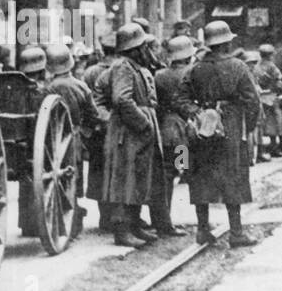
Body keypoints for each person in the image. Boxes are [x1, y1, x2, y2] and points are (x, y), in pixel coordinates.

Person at [179, 20, 260, 247]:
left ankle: (203, 230)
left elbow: (180, 99)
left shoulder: (194, 68)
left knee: (201, 177)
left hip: (203, 129)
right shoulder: (238, 66)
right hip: (231, 127)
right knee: (233, 177)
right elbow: (252, 101)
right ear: (226, 43)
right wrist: (249, 126)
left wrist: (198, 113)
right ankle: (236, 233)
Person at [101, 23, 162, 248]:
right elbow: (122, 99)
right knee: (124, 181)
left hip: (136, 132)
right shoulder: (123, 67)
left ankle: (134, 225)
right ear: (135, 48)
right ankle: (122, 230)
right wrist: (144, 123)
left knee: (137, 179)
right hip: (127, 132)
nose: (147, 49)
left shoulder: (135, 66)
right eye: (143, 45)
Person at [44, 41, 99, 241]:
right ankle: (74, 224)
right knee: (73, 180)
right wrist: (85, 133)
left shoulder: (48, 89)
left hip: (50, 141)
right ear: (70, 63)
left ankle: (60, 223)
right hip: (74, 138)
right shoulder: (80, 86)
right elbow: (93, 115)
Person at [153, 34, 198, 237]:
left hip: (164, 130)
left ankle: (163, 220)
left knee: (166, 176)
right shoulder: (192, 73)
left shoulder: (159, 75)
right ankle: (175, 222)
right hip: (186, 131)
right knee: (184, 169)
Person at [84, 33, 117, 230]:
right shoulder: (121, 70)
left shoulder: (90, 72)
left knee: (98, 173)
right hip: (116, 129)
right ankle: (116, 217)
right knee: (117, 173)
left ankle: (104, 217)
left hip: (96, 131)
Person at [16, 45, 48, 238]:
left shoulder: (9, 88)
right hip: (37, 141)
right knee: (35, 178)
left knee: (24, 181)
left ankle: (26, 225)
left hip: (14, 141)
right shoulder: (43, 92)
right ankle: (37, 225)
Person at [255, 44, 282, 159]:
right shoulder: (272, 66)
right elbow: (279, 82)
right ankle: (274, 148)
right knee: (276, 122)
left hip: (261, 97)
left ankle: (262, 149)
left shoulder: (257, 66)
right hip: (271, 96)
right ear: (270, 55)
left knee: (263, 124)